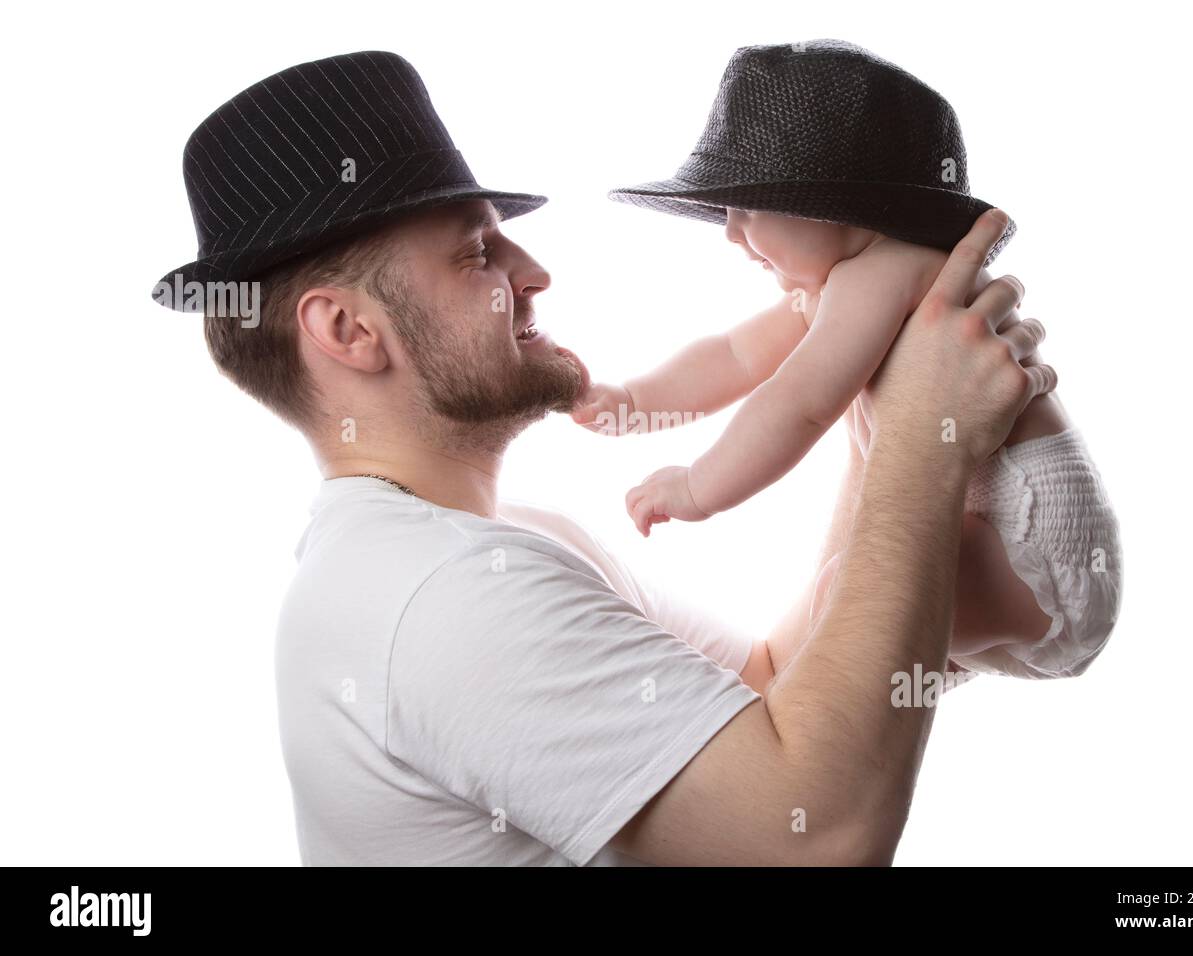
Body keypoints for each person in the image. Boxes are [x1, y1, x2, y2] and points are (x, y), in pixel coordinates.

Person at [153, 52, 1056, 865]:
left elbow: (779, 688)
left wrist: (891, 380)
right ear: (348, 331)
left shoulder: (496, 547)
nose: (533, 270)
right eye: (476, 251)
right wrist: (923, 445)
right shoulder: (443, 597)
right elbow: (811, 842)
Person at [588, 40, 1122, 680]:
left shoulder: (888, 271)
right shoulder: (842, 287)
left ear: (836, 205)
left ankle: (789, 750)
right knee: (849, 615)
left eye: (747, 207)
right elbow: (733, 356)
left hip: (1037, 552)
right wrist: (631, 402)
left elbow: (800, 403)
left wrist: (697, 488)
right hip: (1009, 563)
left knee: (849, 601)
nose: (731, 232)